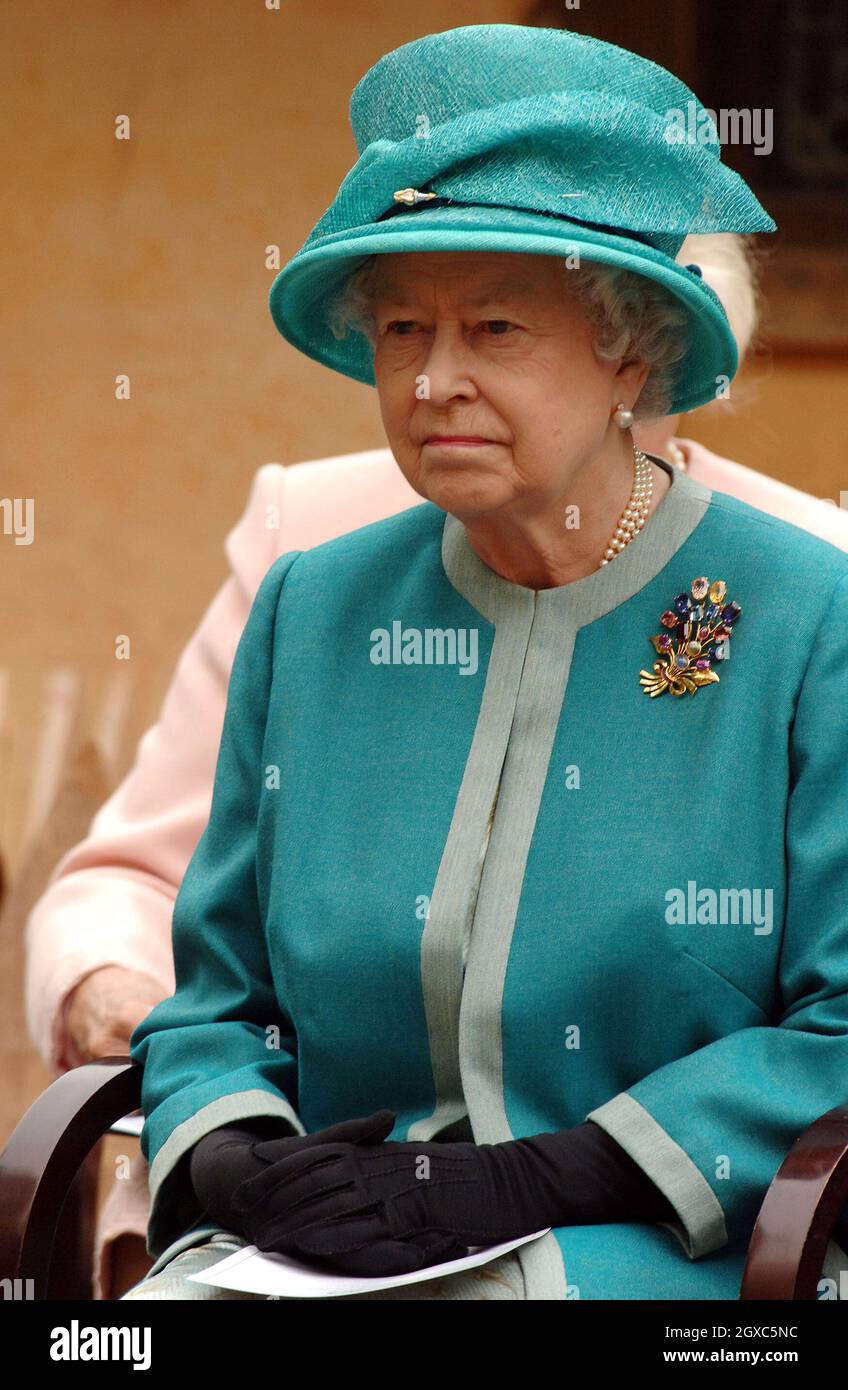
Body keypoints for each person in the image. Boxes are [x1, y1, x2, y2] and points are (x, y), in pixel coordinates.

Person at [103, 24, 848, 1301]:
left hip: (670, 1257)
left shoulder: (800, 615)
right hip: (311, 1261)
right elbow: (219, 998)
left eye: (494, 327)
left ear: (630, 351)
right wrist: (241, 1162)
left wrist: (545, 1176)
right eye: (401, 331)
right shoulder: (315, 611)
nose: (433, 380)